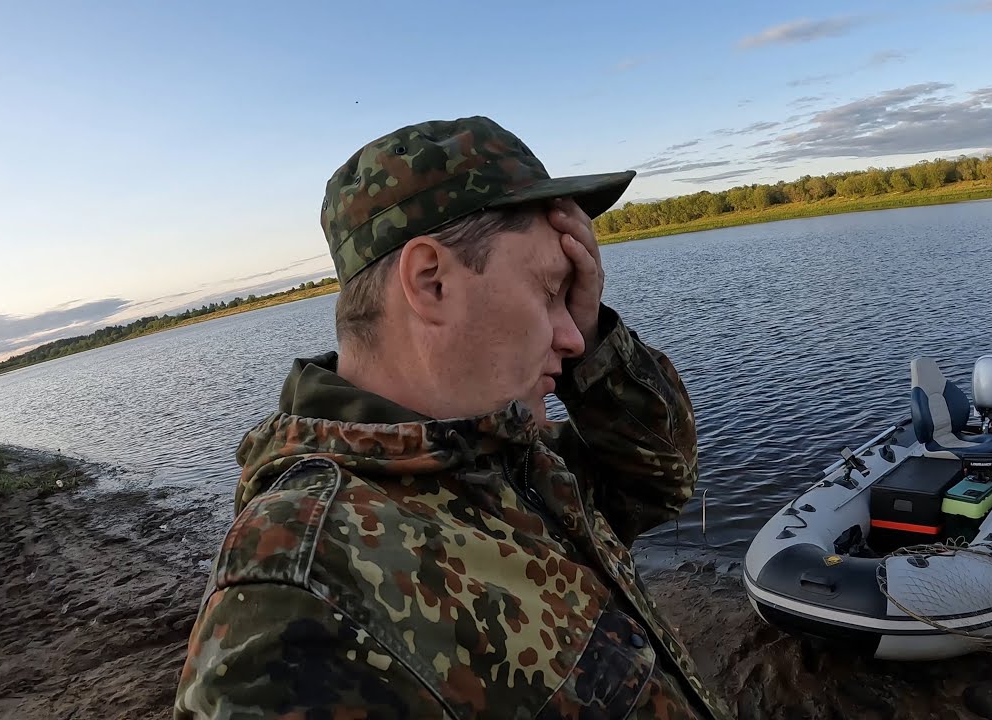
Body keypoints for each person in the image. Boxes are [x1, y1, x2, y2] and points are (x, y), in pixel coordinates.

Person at [173, 116, 730, 719]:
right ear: (431, 281)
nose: (571, 337)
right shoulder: (301, 591)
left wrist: (594, 333)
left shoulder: (508, 452)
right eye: (550, 291)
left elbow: (662, 479)